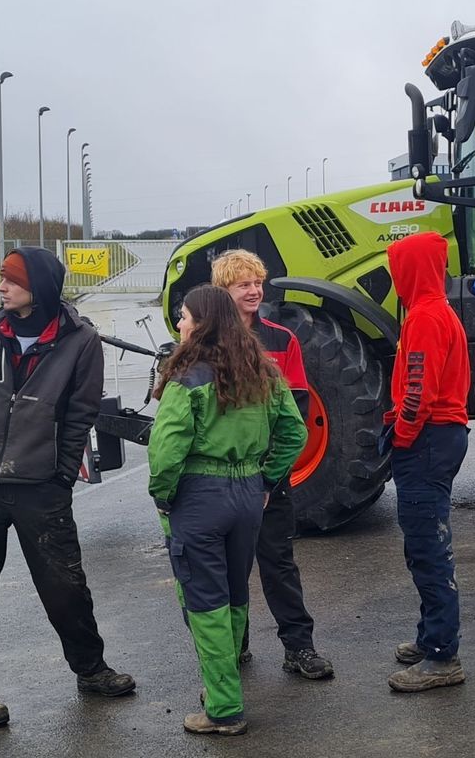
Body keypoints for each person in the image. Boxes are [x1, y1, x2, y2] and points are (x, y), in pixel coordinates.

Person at [0, 247, 135, 731]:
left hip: (41, 486)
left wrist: (61, 477)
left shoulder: (80, 341)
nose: (1, 288)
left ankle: (91, 670)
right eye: (1, 279)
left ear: (37, 288)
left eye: (11, 281)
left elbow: (82, 414)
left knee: (65, 585)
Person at [148, 284, 308, 736]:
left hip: (200, 497)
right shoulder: (263, 369)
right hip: (247, 496)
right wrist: (264, 480)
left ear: (201, 324)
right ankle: (225, 685)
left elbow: (166, 452)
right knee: (235, 593)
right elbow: (294, 434)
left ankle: (222, 708)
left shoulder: (186, 378)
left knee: (204, 601)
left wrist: (164, 495)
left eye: (183, 316)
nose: (179, 323)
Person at [210, 249, 335, 681]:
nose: (254, 290)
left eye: (257, 282)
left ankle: (299, 647)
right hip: (221, 480)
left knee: (279, 563)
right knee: (228, 567)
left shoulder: (283, 340)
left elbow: (295, 410)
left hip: (270, 479)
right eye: (243, 283)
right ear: (223, 291)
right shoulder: (205, 344)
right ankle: (235, 645)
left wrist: (269, 476)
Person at [383, 231, 471, 693]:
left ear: (409, 270)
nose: (395, 276)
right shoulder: (440, 312)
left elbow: (418, 392)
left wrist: (400, 436)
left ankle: (442, 656)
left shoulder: (423, 318)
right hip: (442, 436)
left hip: (428, 440)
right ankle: (431, 638)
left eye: (397, 266)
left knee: (429, 550)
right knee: (425, 544)